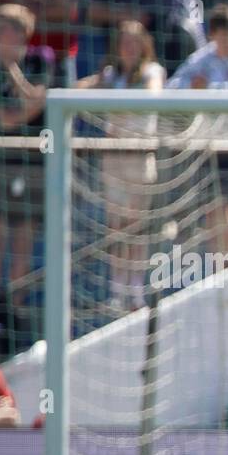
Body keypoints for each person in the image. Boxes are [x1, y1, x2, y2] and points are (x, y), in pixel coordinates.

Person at [77, 20, 166, 316]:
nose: (128, 47)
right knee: (116, 226)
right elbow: (79, 89)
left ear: (143, 44)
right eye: (123, 41)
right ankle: (118, 290)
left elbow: (150, 97)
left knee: (136, 226)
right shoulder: (110, 75)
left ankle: (135, 290)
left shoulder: (152, 72)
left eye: (133, 41)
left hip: (139, 156)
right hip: (112, 157)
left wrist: (114, 105)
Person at [167, 4, 228, 256]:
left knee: (220, 210)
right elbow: (173, 85)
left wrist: (212, 87)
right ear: (212, 34)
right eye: (222, 34)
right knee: (214, 212)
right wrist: (192, 86)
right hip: (208, 145)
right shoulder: (203, 58)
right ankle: (224, 271)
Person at [0, 2, 49, 357]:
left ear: (21, 33)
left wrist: (12, 69)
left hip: (30, 164)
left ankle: (14, 309)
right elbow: (6, 118)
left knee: (23, 237)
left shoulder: (40, 59)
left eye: (5, 28)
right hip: (0, 162)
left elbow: (36, 105)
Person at [86, 0, 205, 76]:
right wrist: (126, 17)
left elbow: (161, 8)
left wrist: (132, 24)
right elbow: (90, 11)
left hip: (164, 28)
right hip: (116, 27)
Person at [0, 0, 82, 86]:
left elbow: (67, 10)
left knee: (54, 101)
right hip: (9, 60)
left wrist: (19, 6)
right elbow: (1, 11)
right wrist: (43, 5)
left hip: (59, 60)